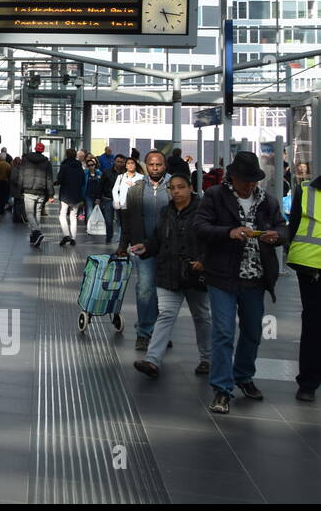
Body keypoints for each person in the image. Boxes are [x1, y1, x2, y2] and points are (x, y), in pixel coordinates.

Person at [194, 151, 289, 415]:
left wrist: (276, 236)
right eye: (244, 180)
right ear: (232, 178)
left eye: (253, 180)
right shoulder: (215, 197)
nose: (249, 185)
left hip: (255, 278)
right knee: (223, 332)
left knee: (252, 332)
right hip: (222, 276)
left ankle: (243, 375)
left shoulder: (266, 201)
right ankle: (222, 389)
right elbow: (199, 227)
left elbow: (283, 227)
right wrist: (229, 232)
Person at [129, 172, 211, 379]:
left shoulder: (203, 211)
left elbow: (212, 240)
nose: (176, 191)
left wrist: (204, 261)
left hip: (194, 273)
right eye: (172, 188)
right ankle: (152, 360)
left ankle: (208, 359)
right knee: (165, 315)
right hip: (169, 273)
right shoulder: (167, 211)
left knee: (201, 316)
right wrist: (146, 247)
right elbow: (158, 239)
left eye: (180, 187)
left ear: (190, 188)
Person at [120, 150, 171, 351]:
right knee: (145, 289)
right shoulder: (136, 189)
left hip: (169, 249)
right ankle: (144, 331)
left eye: (159, 165)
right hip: (143, 247)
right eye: (151, 164)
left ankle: (160, 333)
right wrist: (123, 244)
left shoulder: (173, 188)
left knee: (165, 294)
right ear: (146, 166)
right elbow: (127, 220)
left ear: (165, 166)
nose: (155, 168)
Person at [287, 165, 321, 402]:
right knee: (314, 323)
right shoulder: (306, 190)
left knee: (313, 323)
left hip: (308, 265)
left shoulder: (306, 190)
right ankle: (308, 382)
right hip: (311, 267)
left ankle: (308, 383)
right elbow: (294, 228)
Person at [21, 143, 54, 247]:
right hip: (41, 191)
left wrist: (19, 189)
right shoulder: (47, 162)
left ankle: (37, 232)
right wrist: (51, 194)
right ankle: (34, 237)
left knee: (29, 214)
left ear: (35, 149)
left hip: (28, 191)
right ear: (43, 151)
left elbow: (21, 175)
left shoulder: (26, 160)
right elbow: (49, 179)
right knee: (37, 213)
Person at [56, 148, 86, 246]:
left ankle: (66, 235)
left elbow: (60, 179)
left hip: (65, 194)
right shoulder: (79, 166)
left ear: (66, 155)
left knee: (62, 215)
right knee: (73, 217)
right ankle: (73, 238)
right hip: (76, 195)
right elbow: (82, 180)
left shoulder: (64, 166)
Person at [100, 154, 125, 244]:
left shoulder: (125, 174)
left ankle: (120, 238)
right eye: (118, 161)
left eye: (122, 162)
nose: (119, 163)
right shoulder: (107, 172)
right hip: (108, 198)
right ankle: (109, 236)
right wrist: (99, 198)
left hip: (121, 199)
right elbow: (101, 185)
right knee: (109, 220)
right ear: (114, 161)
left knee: (121, 221)